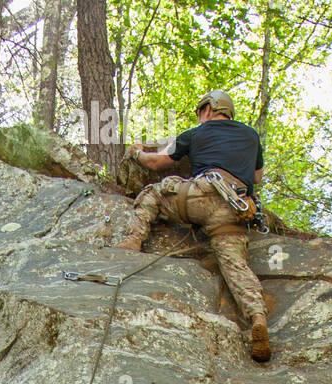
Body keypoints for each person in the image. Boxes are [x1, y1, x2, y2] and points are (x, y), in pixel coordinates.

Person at [116, 91, 271, 363]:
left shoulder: (196, 133)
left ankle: (132, 241)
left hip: (199, 197)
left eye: (200, 112)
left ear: (209, 109)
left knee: (154, 193)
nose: (199, 117)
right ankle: (257, 318)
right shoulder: (250, 136)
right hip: (235, 208)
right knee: (236, 266)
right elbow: (256, 175)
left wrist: (137, 153)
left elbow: (157, 163)